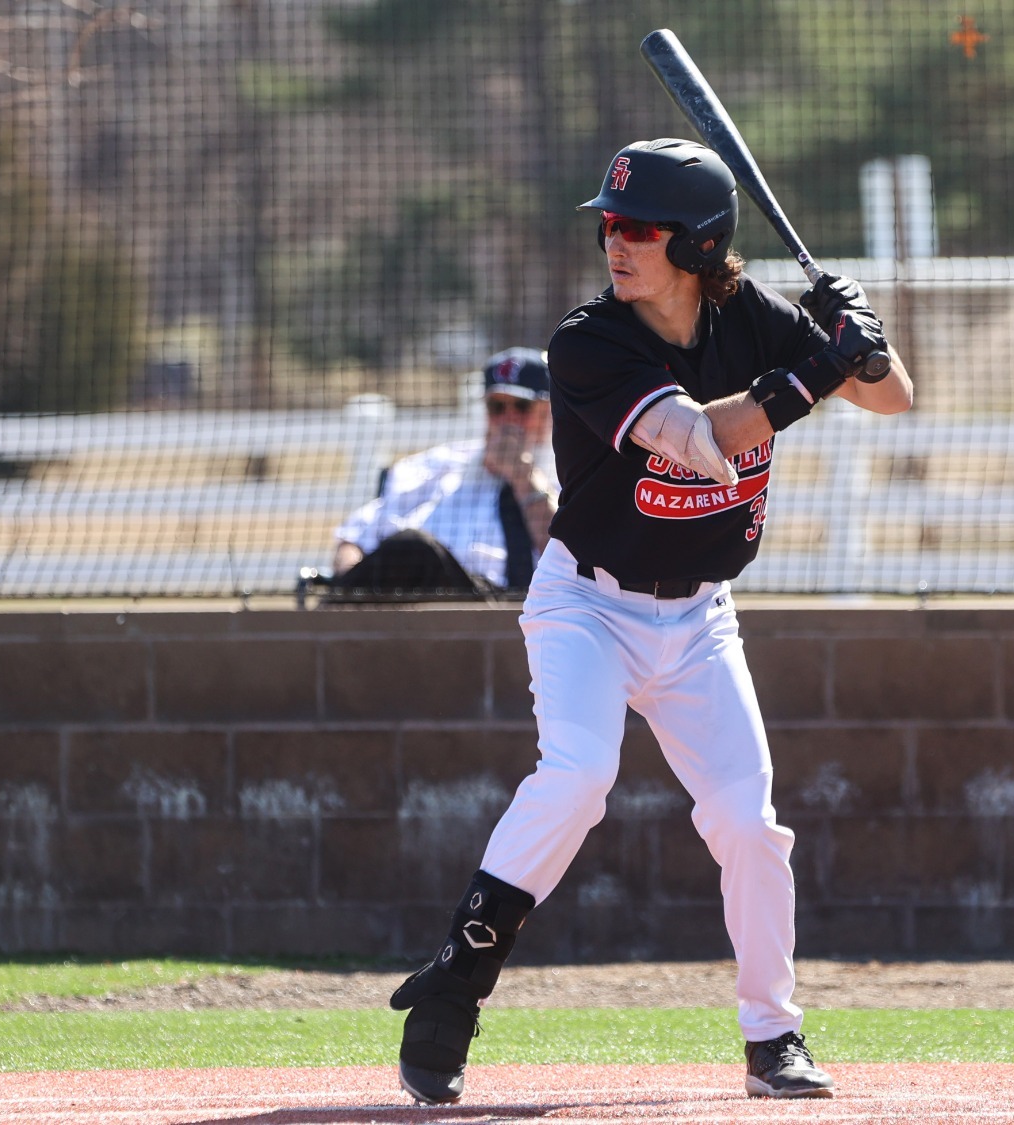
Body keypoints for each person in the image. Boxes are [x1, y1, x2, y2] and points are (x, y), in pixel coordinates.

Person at [386, 138, 913, 1105]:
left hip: (703, 618)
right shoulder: (588, 341)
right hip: (586, 602)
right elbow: (700, 442)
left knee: (748, 823)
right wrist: (814, 375)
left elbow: (895, 399)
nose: (614, 243)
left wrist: (861, 337)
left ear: (702, 244)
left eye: (638, 228)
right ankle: (457, 983)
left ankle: (774, 1035)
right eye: (608, 225)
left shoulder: (754, 319)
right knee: (580, 773)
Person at [328, 348, 557, 598]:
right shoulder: (439, 465)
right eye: (497, 407)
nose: (507, 419)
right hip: (417, 603)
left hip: (512, 610)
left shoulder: (569, 473)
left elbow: (572, 561)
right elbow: (355, 538)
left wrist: (523, 478)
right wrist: (349, 586)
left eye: (522, 407)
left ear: (549, 410)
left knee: (414, 548)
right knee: (409, 548)